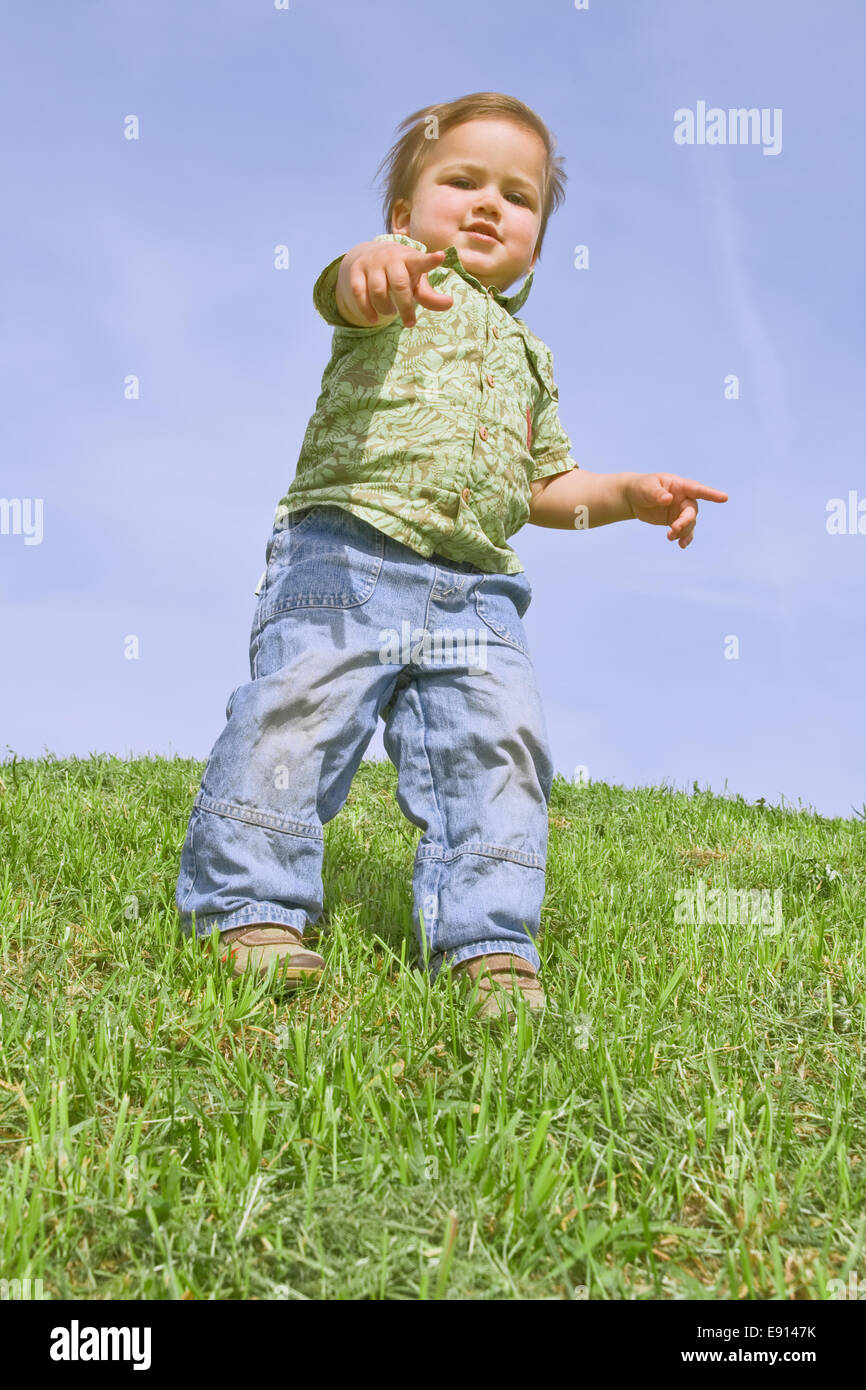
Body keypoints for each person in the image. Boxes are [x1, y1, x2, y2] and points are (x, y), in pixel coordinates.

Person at [175, 92, 727, 1024]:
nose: (486, 204)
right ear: (402, 214)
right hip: (346, 550)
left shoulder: (531, 357)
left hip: (477, 592)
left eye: (516, 197)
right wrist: (370, 269)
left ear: (538, 246)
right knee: (295, 716)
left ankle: (490, 943)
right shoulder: (390, 283)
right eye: (459, 181)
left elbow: (545, 487)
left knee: (500, 748)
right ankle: (249, 909)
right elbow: (345, 286)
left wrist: (627, 496)